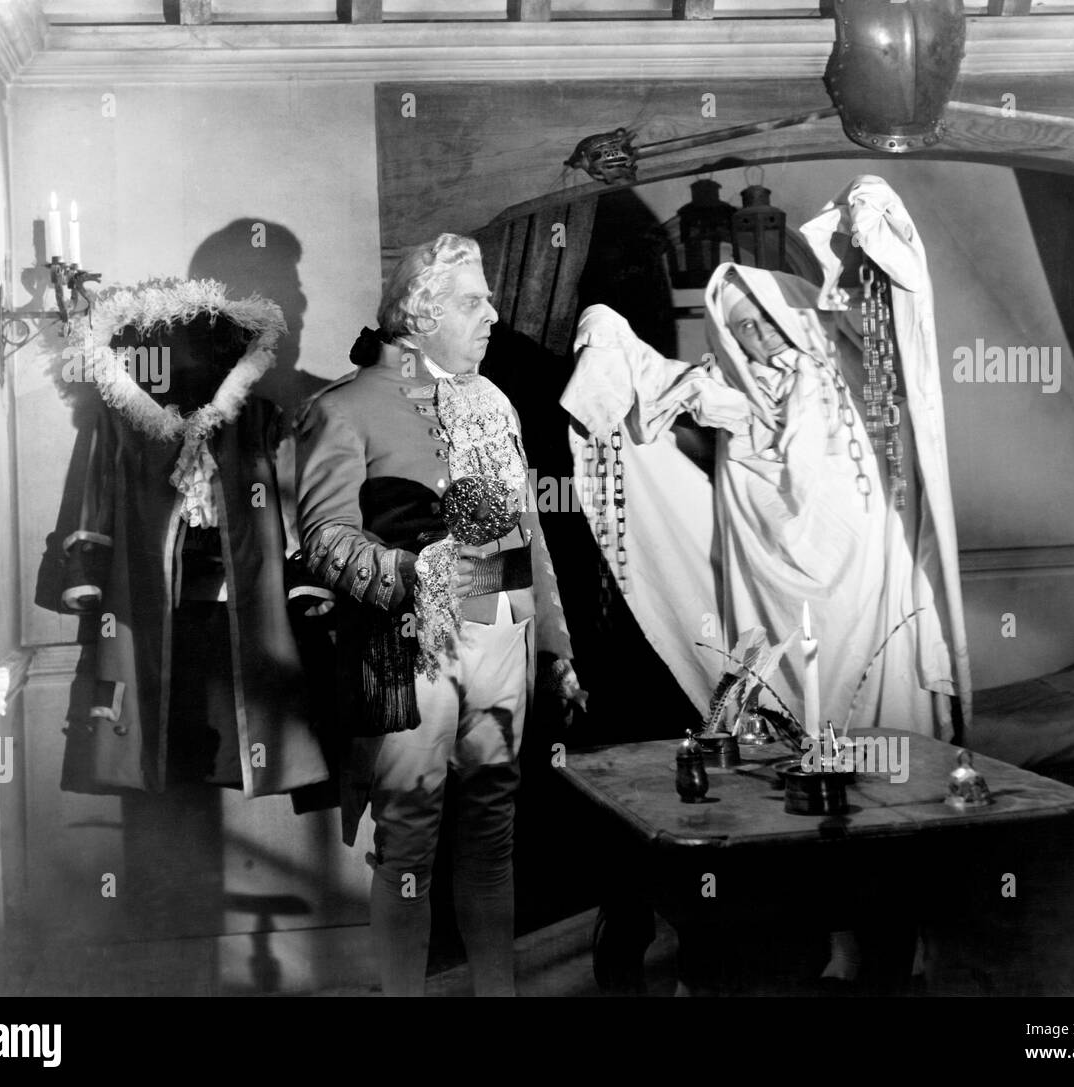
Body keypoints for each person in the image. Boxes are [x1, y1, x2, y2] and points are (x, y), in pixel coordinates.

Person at [562, 176, 971, 987]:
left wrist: (870, 226)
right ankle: (805, 943)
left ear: (792, 313)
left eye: (763, 321)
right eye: (737, 329)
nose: (753, 340)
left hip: (869, 610)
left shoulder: (853, 383)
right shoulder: (736, 403)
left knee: (886, 785)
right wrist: (604, 331)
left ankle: (884, 952)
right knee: (792, 797)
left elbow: (899, 322)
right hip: (781, 630)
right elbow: (651, 387)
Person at [295, 233, 583, 996]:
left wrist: (554, 642)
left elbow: (530, 529)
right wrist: (410, 575)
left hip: (502, 638)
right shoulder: (343, 408)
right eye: (471, 302)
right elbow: (322, 540)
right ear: (419, 317)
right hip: (406, 650)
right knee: (410, 841)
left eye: (487, 298)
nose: (492, 314)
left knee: (492, 832)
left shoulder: (493, 400)